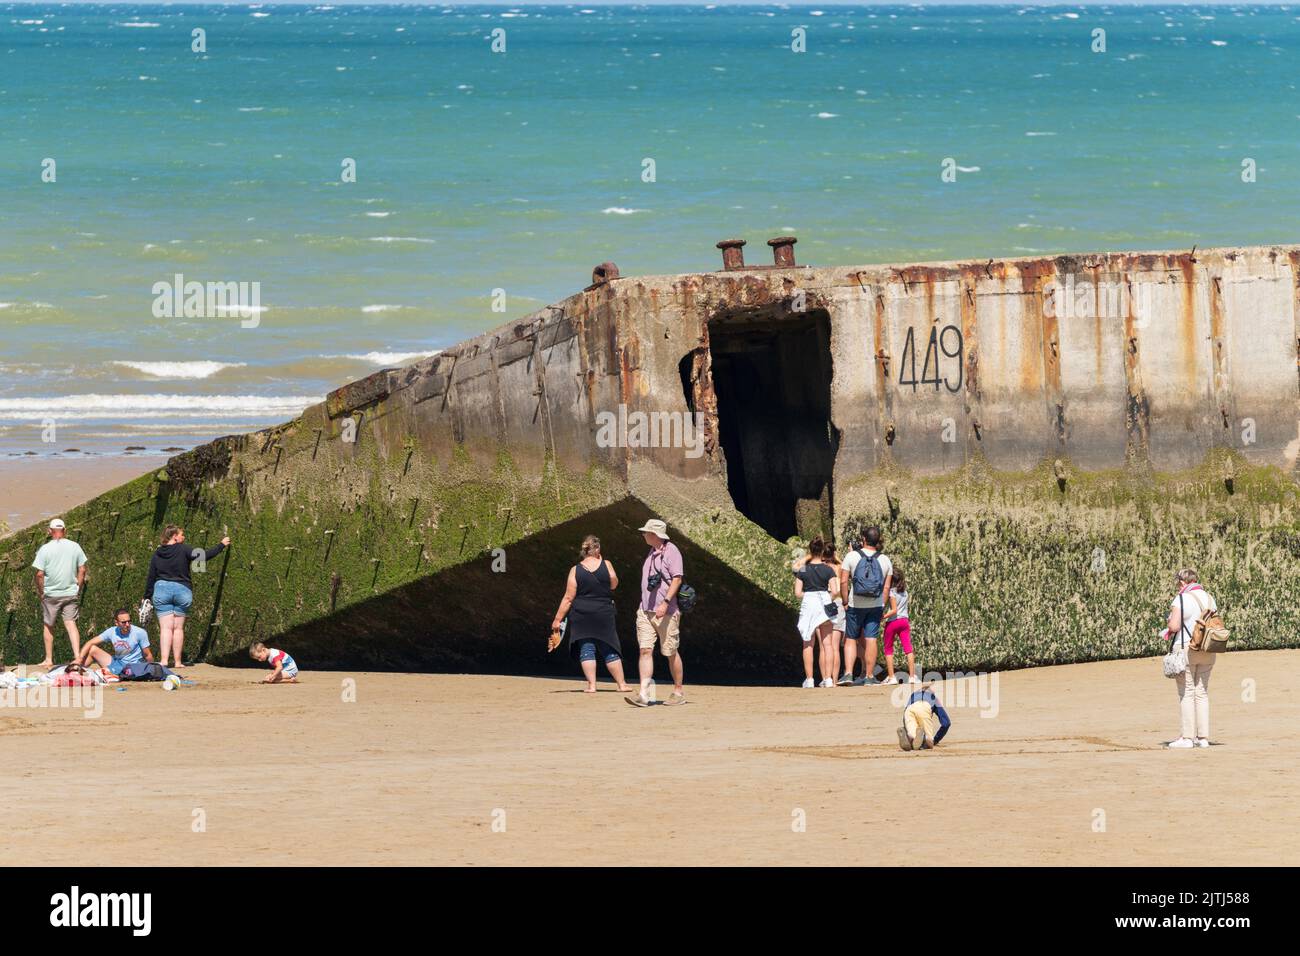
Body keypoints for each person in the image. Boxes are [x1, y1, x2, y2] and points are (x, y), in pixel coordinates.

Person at [550, 535, 632, 693]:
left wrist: (557, 619)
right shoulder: (606, 564)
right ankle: (621, 685)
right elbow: (614, 584)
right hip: (603, 612)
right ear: (598, 549)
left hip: (581, 613)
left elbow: (568, 598)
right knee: (609, 648)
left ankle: (592, 686)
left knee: (586, 648)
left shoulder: (575, 570)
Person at [144, 525, 229, 670]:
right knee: (178, 628)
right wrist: (221, 545)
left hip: (161, 589)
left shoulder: (157, 553)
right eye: (182, 535)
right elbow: (204, 555)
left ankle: (164, 661)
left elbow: (151, 575)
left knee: (165, 628)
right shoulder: (184, 549)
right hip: (182, 590)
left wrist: (146, 596)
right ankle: (177, 662)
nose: (184, 538)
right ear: (174, 536)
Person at [625, 518, 685, 707]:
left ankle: (678, 691)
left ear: (655, 535)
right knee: (645, 650)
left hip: (666, 611)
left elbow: (677, 579)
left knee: (670, 652)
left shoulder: (672, 551)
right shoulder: (651, 553)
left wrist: (665, 603)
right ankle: (645, 694)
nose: (643, 535)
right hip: (645, 611)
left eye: (646, 532)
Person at [1162, 568, 1217, 748]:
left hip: (1186, 647)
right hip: (1208, 648)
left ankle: (1186, 737)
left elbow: (1175, 625)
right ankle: (1203, 738)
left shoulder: (1181, 598)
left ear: (1181, 582)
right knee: (1201, 692)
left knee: (1186, 692)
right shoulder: (1209, 598)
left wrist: (1168, 622)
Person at [838, 525, 893, 686]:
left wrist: (845, 601)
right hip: (875, 605)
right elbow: (887, 587)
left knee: (850, 639)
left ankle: (848, 674)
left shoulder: (852, 556)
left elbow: (843, 581)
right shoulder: (885, 559)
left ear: (863, 539)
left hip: (855, 604)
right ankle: (869, 676)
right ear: (878, 541)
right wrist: (882, 605)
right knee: (871, 639)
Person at [31, 518, 88, 667]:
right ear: (65, 530)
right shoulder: (75, 546)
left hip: (51, 594)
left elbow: (39, 574)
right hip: (70, 592)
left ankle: (49, 659)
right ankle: (77, 656)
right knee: (71, 624)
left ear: (50, 531)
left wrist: (41, 591)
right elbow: (82, 569)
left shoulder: (44, 549)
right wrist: (78, 587)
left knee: (49, 625)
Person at [793, 537, 841, 688]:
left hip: (809, 604)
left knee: (808, 642)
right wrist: (827, 596)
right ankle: (828, 678)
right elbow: (835, 590)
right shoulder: (828, 569)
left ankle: (810, 679)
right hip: (824, 603)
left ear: (810, 550)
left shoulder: (804, 569)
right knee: (827, 644)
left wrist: (808, 595)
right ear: (822, 551)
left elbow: (797, 593)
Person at [75, 607, 154, 679]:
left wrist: (153, 670)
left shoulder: (140, 632)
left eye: (129, 621)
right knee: (92, 649)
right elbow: (90, 642)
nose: (127, 624)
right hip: (117, 662)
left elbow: (147, 655)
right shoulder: (112, 631)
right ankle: (75, 670)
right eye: (124, 622)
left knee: (101, 673)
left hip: (131, 666)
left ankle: (113, 674)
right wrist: (79, 659)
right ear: (116, 623)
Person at [881, 566, 918, 684]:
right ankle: (912, 676)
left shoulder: (891, 592)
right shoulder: (905, 592)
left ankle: (891, 677)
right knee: (908, 649)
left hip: (893, 622)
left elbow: (894, 610)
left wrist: (882, 616)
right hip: (904, 621)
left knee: (888, 649)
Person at [897, 684, 950, 751]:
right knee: (929, 742)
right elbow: (946, 723)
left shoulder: (913, 694)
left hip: (909, 709)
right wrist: (935, 740)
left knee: (912, 734)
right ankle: (924, 740)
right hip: (924, 707)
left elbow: (905, 713)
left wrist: (906, 728)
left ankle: (910, 738)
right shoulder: (934, 698)